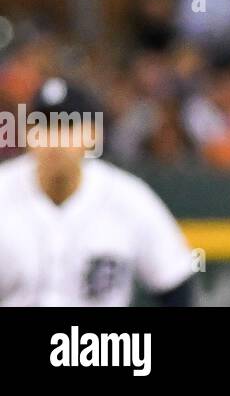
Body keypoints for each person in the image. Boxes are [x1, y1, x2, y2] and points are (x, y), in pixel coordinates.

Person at [0, 79, 195, 306]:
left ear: (92, 134)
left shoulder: (129, 198)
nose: (54, 140)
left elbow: (175, 283)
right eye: (43, 127)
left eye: (68, 127)